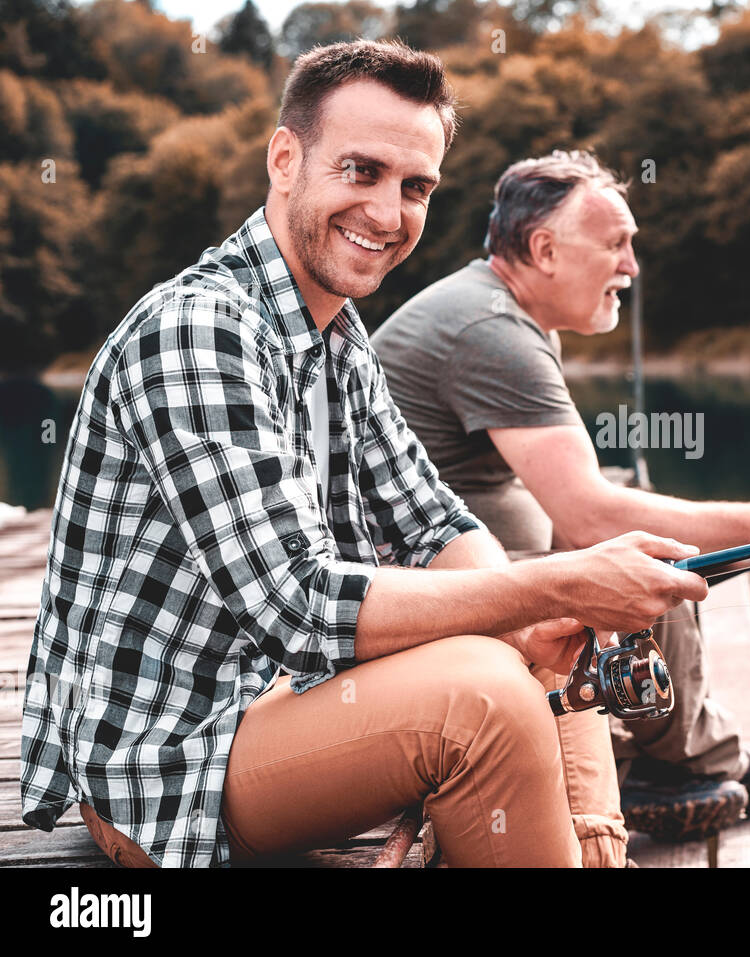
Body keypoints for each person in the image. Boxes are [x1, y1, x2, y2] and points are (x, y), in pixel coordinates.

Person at [20, 42, 707, 869]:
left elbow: (431, 518)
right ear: (285, 159)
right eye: (362, 171)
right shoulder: (200, 328)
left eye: (415, 186)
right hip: (167, 769)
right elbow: (301, 606)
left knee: (546, 653)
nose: (389, 212)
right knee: (485, 699)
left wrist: (538, 617)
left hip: (275, 701)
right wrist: (555, 582)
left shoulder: (338, 338)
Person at [371, 151, 750, 840]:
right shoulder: (490, 331)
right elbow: (588, 515)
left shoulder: (496, 309)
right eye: (616, 244)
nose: (632, 266)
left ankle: (660, 756)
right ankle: (678, 765)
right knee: (631, 553)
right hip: (426, 600)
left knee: (625, 529)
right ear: (544, 250)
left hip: (451, 569)